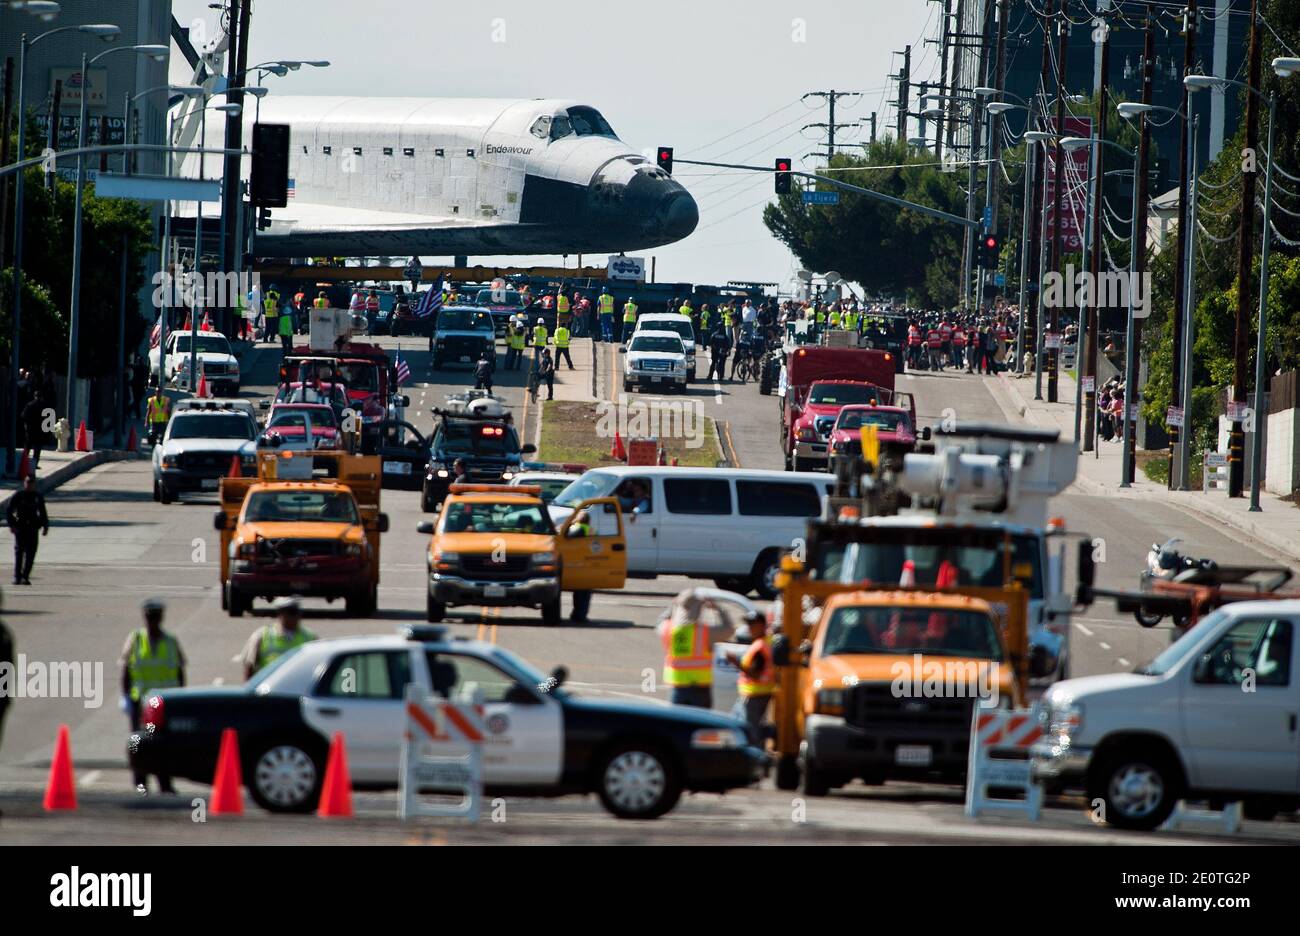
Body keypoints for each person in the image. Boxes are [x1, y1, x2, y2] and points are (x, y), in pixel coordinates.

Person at [121, 598, 185, 794]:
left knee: (162, 746)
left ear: (161, 618)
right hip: (141, 704)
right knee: (139, 744)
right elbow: (126, 671)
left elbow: (180, 673)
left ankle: (165, 783)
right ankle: (140, 784)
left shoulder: (171, 641)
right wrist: (127, 698)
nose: (152, 622)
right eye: (149, 618)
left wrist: (180, 700)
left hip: (163, 706)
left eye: (155, 618)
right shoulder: (136, 639)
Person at [657, 588, 730, 708]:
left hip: (678, 688)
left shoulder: (667, 629)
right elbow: (729, 629)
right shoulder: (705, 632)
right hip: (700, 690)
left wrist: (673, 607)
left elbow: (660, 621)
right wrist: (718, 609)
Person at [241, 597, 317, 679]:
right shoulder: (262, 635)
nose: (293, 616)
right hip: (270, 685)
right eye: (289, 612)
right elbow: (249, 665)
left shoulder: (310, 637)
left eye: (295, 612)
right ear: (280, 614)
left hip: (298, 686)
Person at [726, 611, 775, 733]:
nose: (749, 628)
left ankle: (754, 751)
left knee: (750, 731)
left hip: (754, 696)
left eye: (753, 624)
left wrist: (736, 662)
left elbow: (756, 674)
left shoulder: (760, 647)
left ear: (762, 625)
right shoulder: (765, 641)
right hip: (755, 694)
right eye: (749, 624)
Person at [6, 476, 49, 585]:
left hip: (33, 528)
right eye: (27, 482)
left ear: (34, 484)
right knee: (19, 552)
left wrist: (45, 526)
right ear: (24, 483)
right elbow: (10, 510)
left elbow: (42, 512)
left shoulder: (37, 496)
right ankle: (17, 576)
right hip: (20, 528)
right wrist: (12, 525)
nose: (29, 484)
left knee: (31, 553)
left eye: (31, 482)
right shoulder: (18, 496)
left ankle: (25, 576)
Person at [20, 391, 47, 470]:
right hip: (39, 431)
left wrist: (26, 426)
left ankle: (24, 464)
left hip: (30, 430)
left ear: (34, 396)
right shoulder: (43, 406)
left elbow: (23, 416)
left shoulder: (29, 405)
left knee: (27, 448)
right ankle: (34, 465)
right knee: (37, 450)